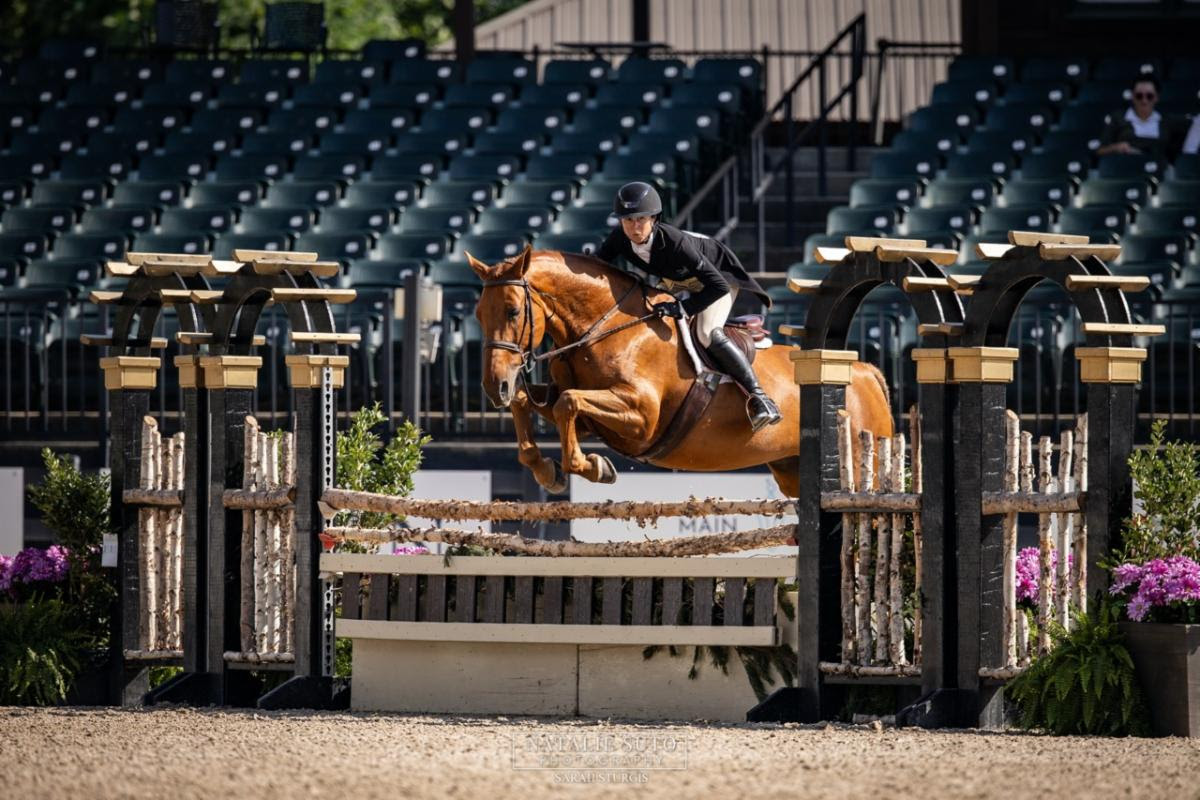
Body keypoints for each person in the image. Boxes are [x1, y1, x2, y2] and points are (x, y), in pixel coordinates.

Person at [594, 181, 782, 432]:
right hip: (677, 279)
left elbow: (717, 286)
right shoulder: (619, 238)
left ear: (654, 218)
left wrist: (684, 309)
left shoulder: (674, 242)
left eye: (641, 219)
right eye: (628, 220)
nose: (634, 227)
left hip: (718, 278)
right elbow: (596, 265)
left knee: (706, 333)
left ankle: (760, 398)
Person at [1097, 75, 1183, 159]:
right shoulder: (1117, 118)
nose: (1144, 100)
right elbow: (1100, 150)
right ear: (1132, 97)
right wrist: (1116, 147)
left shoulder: (1167, 121)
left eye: (1149, 96)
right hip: (1125, 167)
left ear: (1156, 97)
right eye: (1139, 96)